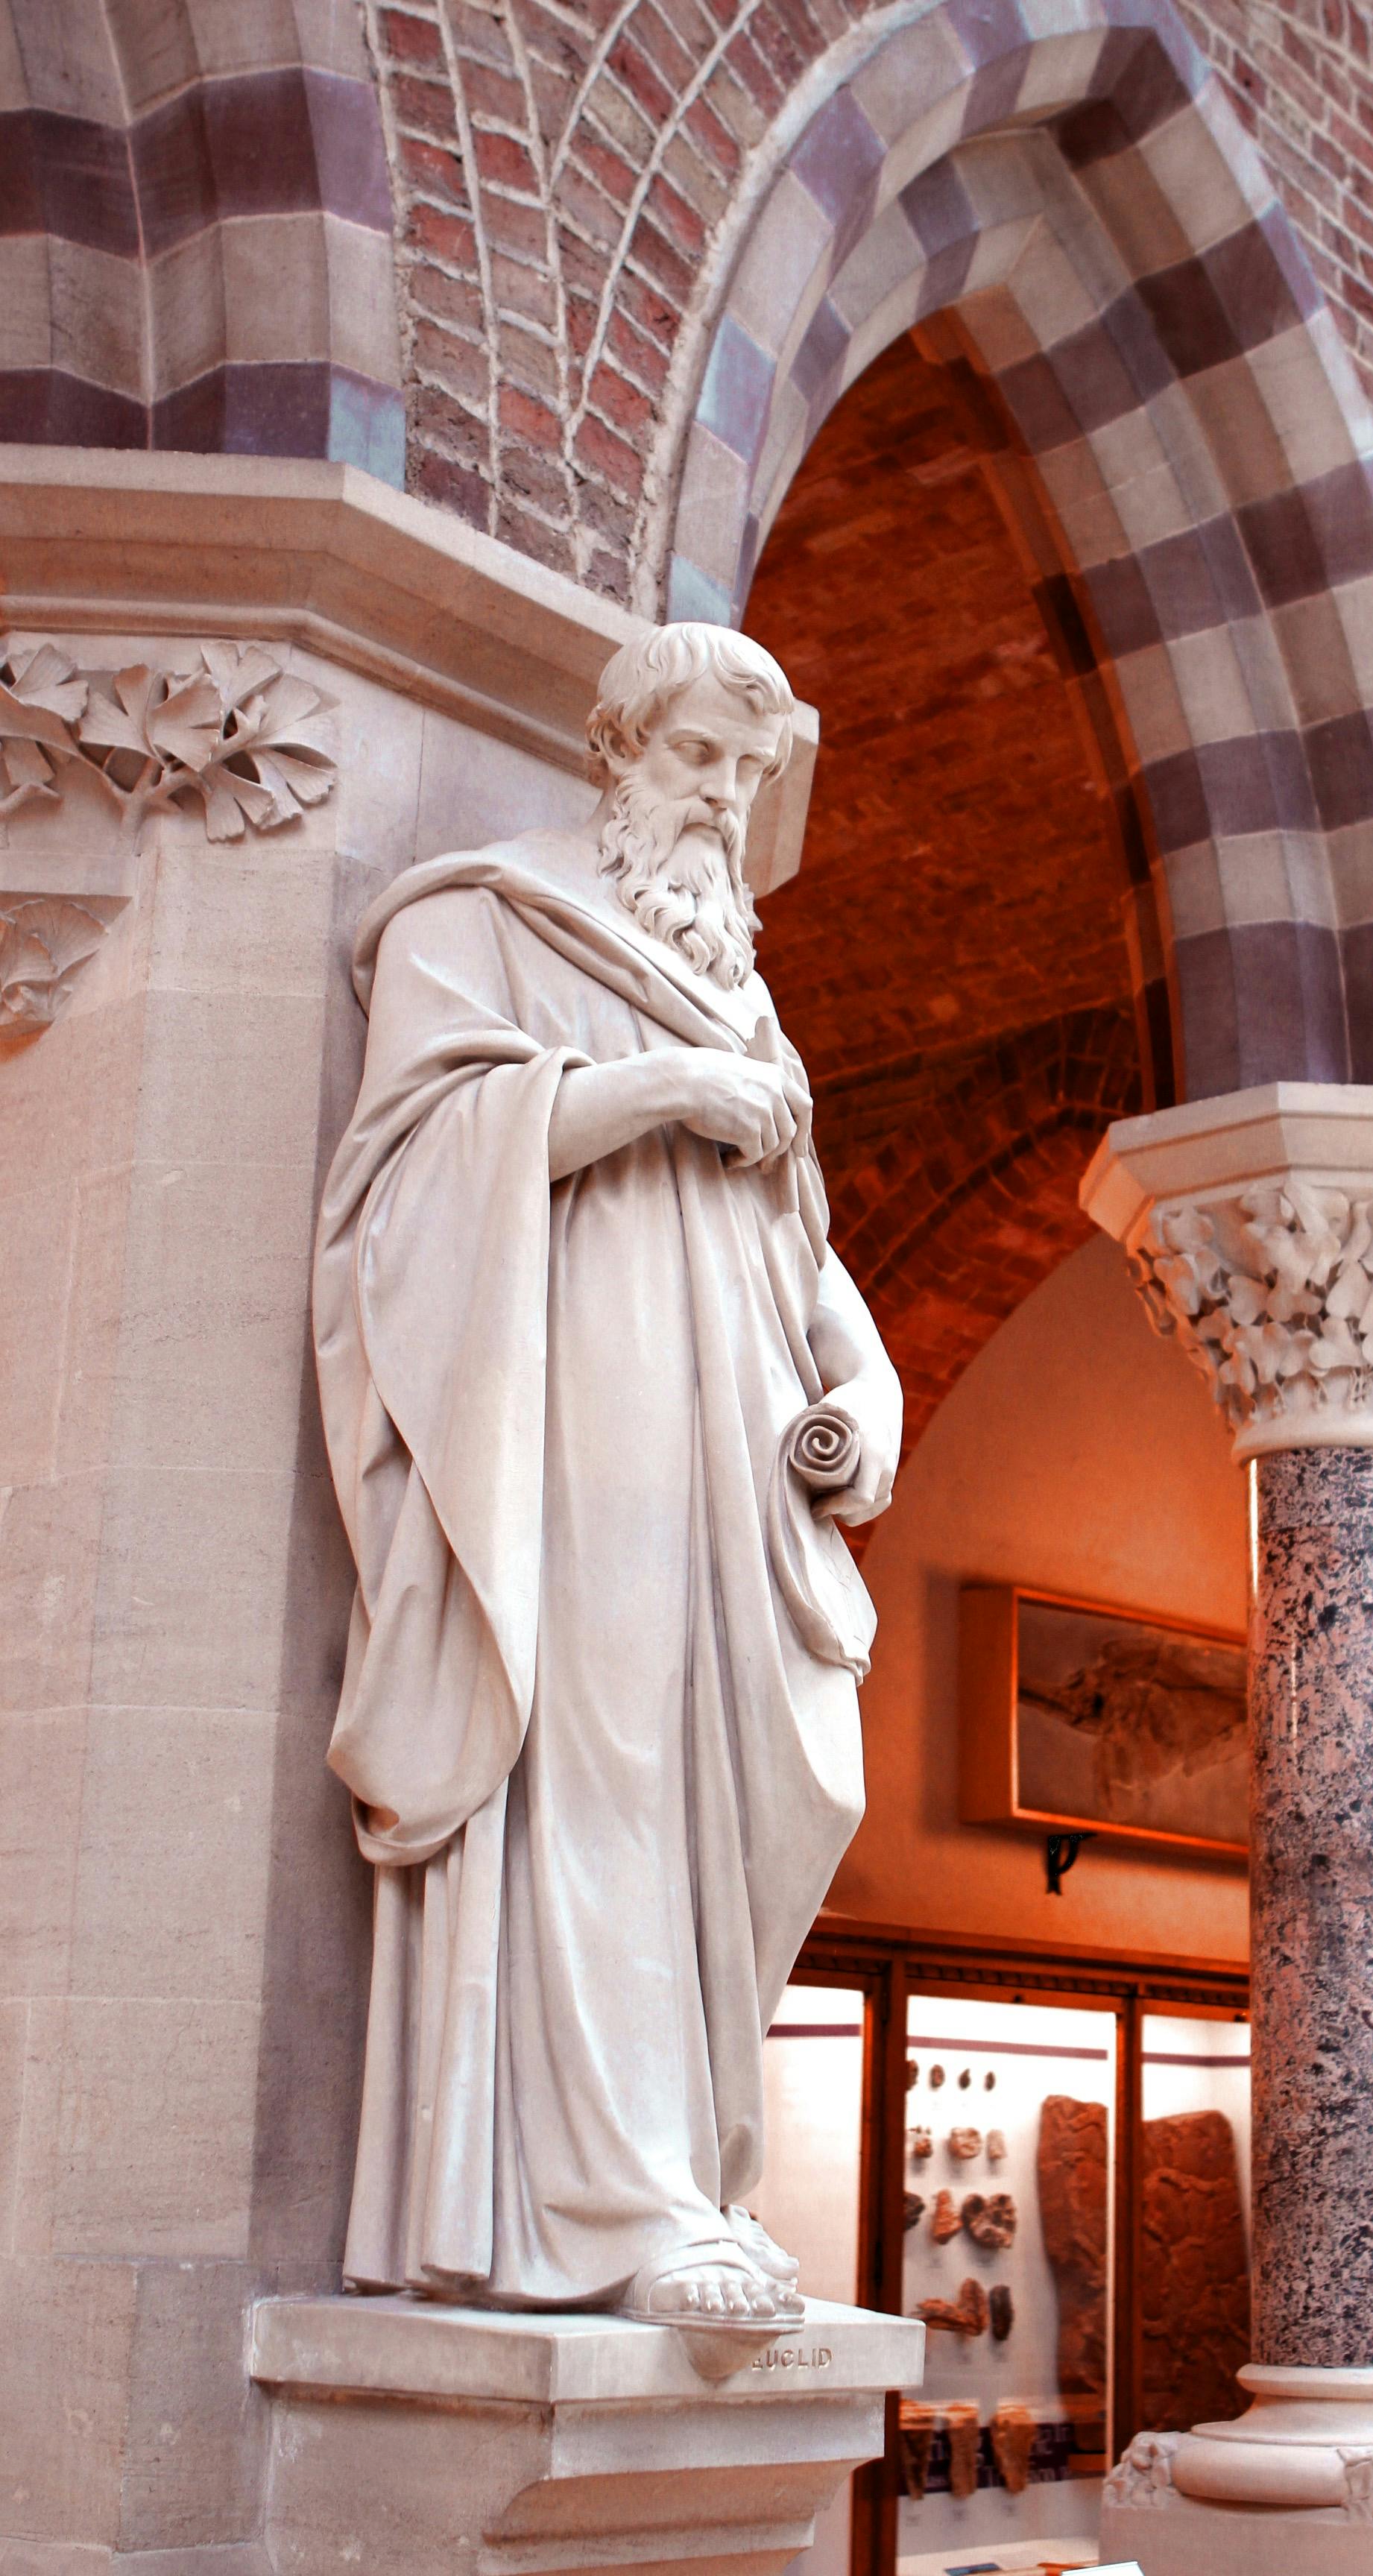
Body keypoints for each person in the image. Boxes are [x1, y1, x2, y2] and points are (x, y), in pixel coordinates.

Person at [313, 622, 901, 2332]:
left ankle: (697, 2174)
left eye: (747, 770)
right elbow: (411, 1172)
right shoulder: (480, 914)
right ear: (619, 747)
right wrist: (660, 1091)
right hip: (584, 1417)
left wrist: (862, 1385)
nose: (724, 801)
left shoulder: (749, 988)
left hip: (741, 1444)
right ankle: (617, 2199)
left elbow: (801, 1239)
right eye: (698, 759)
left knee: (778, 1774)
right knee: (608, 1762)